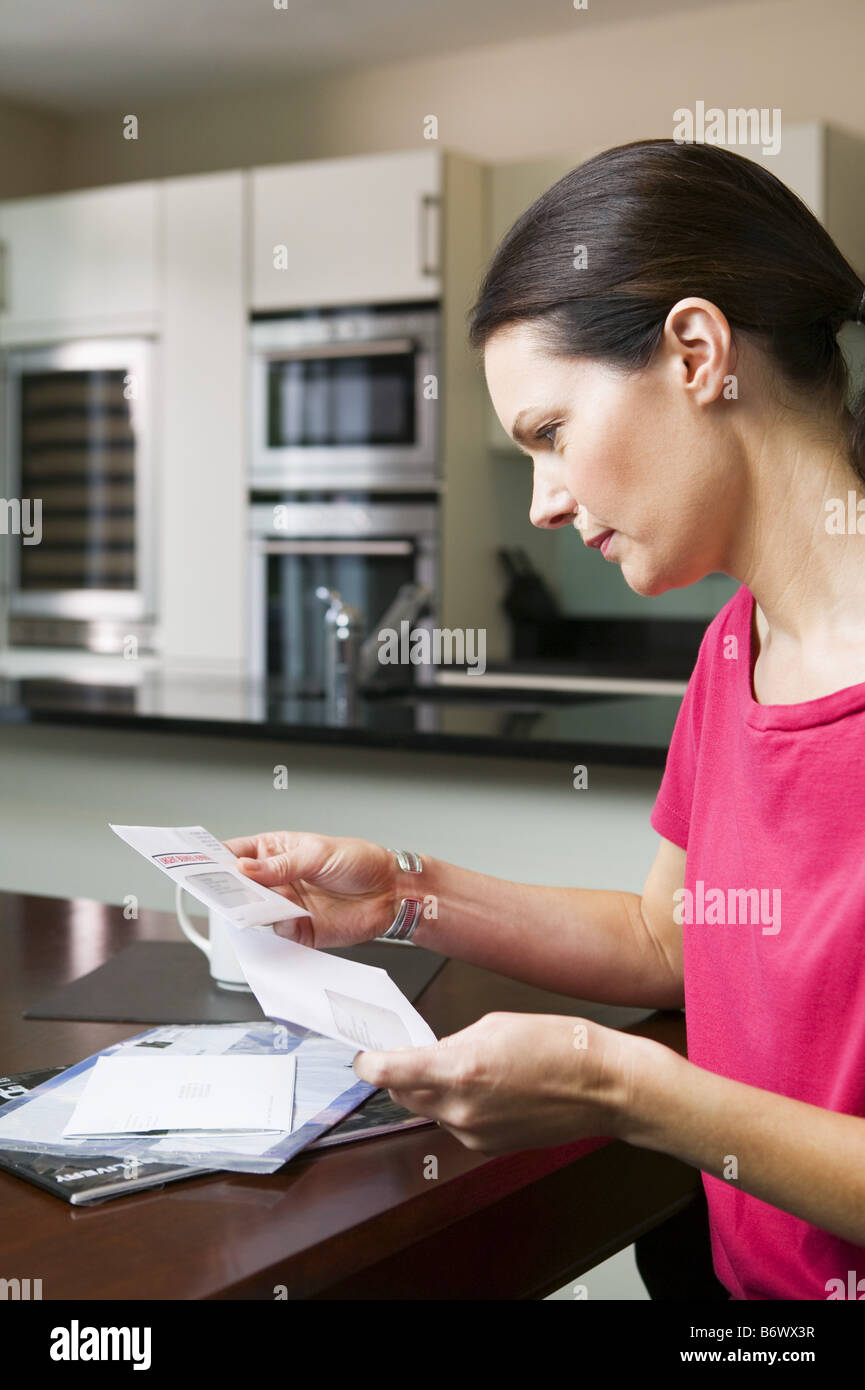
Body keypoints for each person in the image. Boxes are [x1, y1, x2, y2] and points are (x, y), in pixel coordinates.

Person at [227, 139, 865, 1302]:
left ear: (695, 353)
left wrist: (625, 1088)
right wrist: (406, 894)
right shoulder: (737, 647)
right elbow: (672, 937)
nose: (545, 499)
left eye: (550, 432)